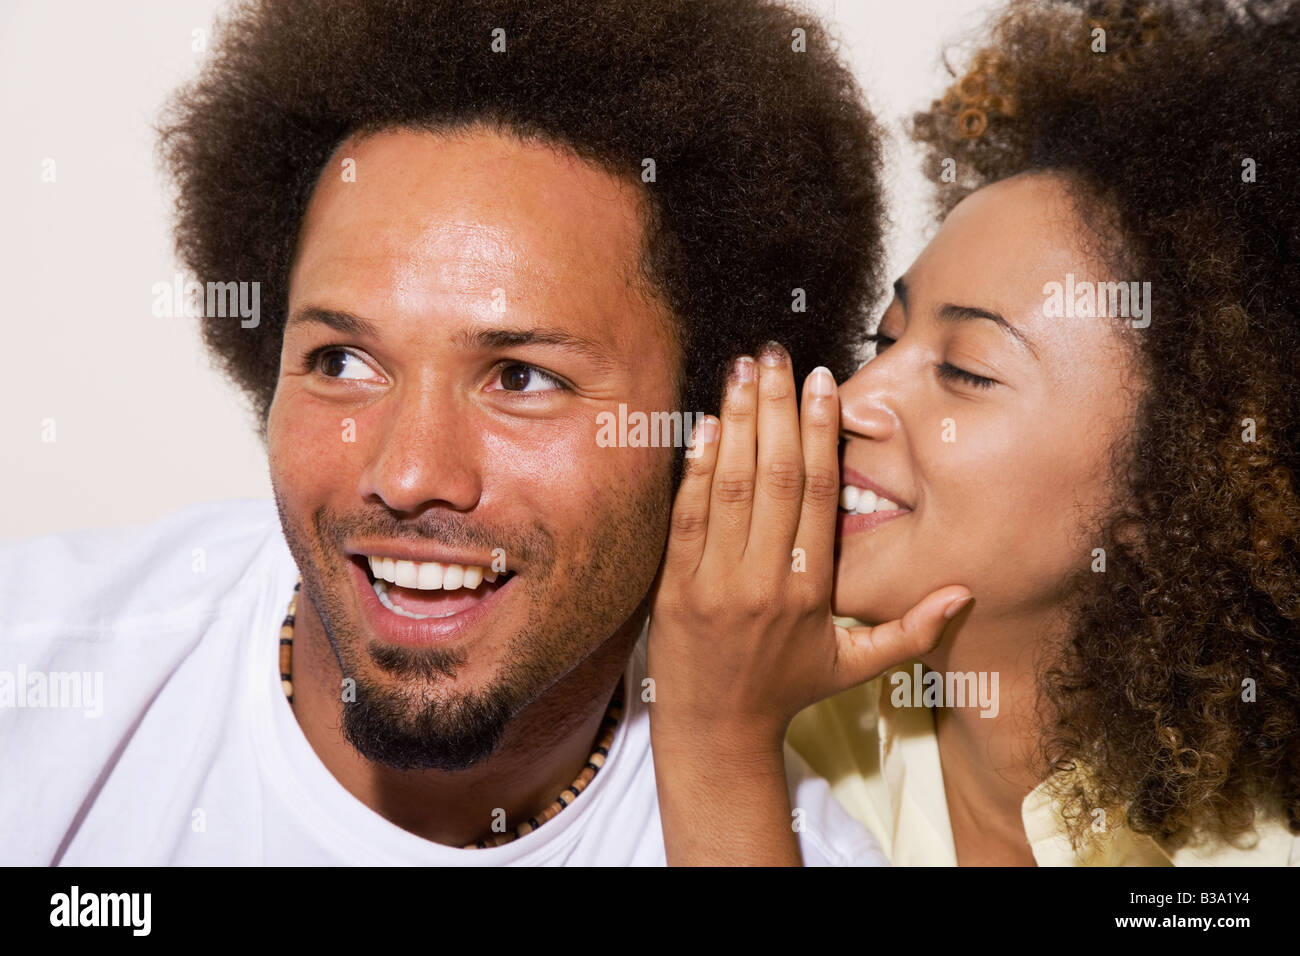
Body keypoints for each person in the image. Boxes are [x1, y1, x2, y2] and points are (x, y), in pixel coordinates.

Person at [0, 0, 909, 865]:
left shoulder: (766, 840)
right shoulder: (36, 675)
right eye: (342, 362)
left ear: (716, 426)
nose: (407, 473)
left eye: (521, 378)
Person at [648, 0, 1300, 866]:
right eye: (883, 339)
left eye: (965, 370)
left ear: (1176, 482)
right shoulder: (755, 711)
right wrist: (715, 727)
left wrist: (717, 741)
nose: (848, 398)